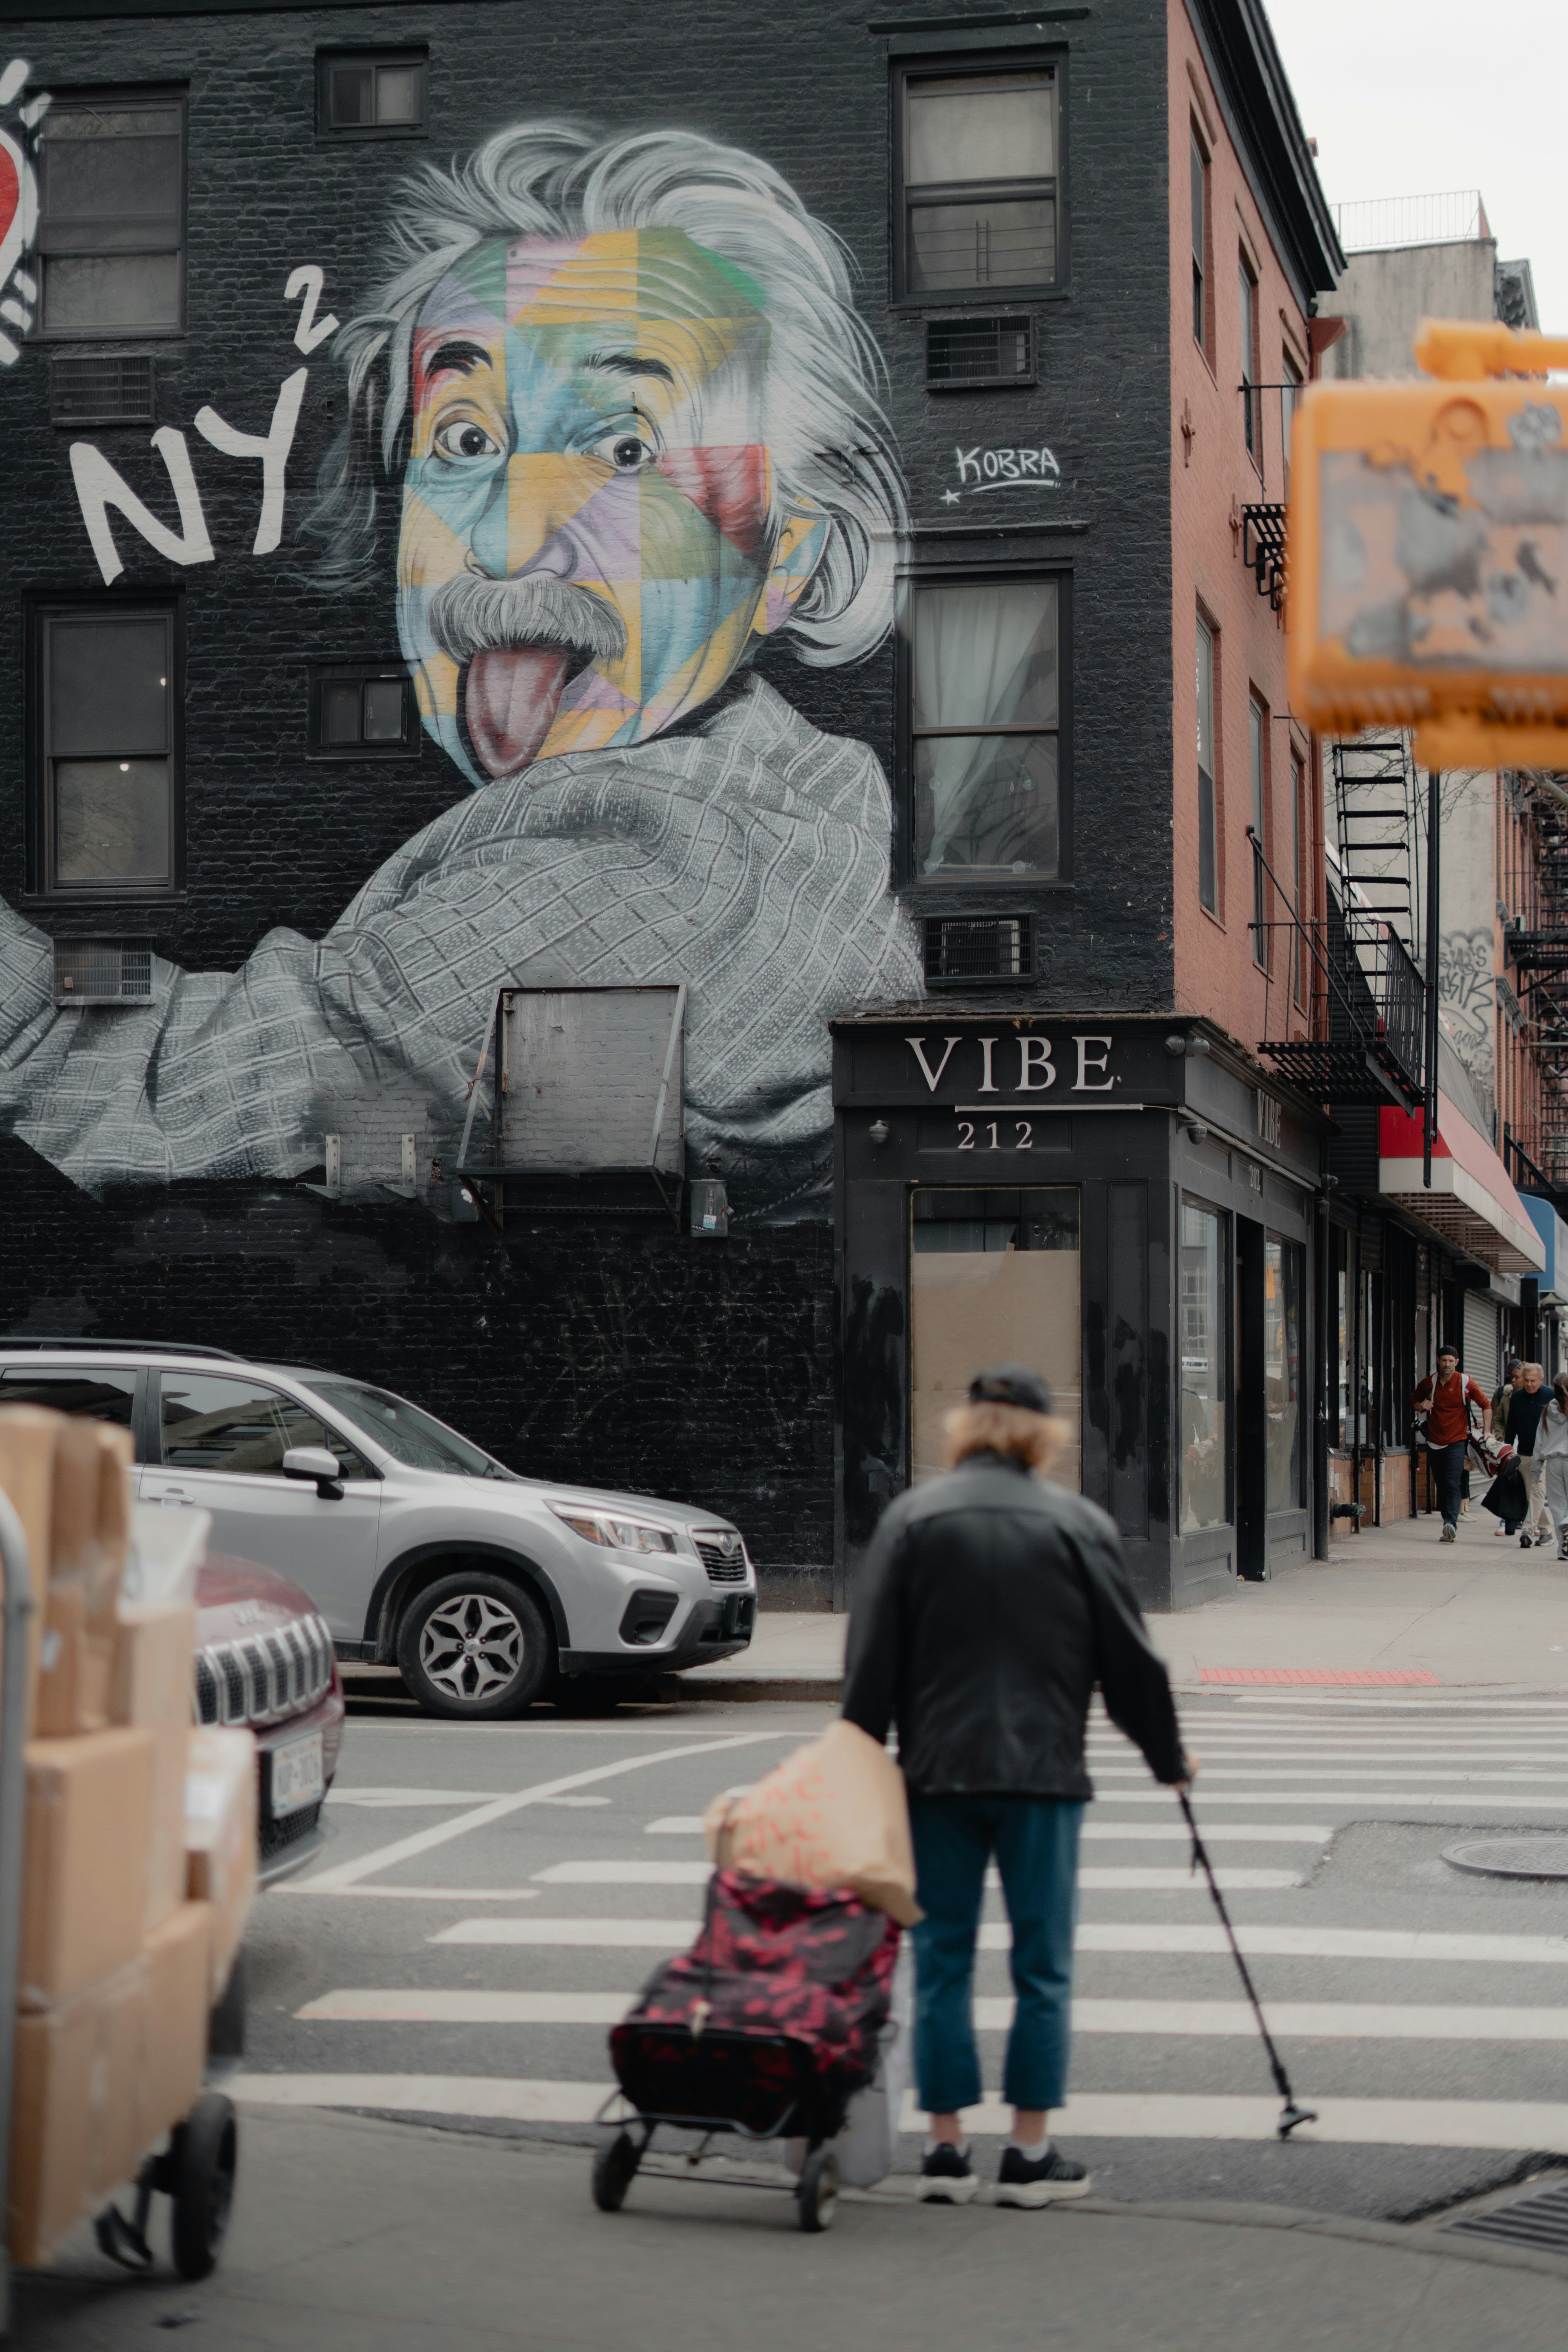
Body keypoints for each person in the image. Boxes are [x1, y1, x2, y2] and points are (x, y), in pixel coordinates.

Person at [0, 122, 922, 1212]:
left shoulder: (674, 862)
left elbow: (190, 1098)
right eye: (466, 441)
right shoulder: (769, 811)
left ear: (790, 556)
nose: (508, 533)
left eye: (623, 449)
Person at [841, 1362, 1192, 2210]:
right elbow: (1129, 1663)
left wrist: (857, 1764)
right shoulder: (1078, 1524)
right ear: (1043, 1435)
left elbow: (870, 1664)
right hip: (1043, 1779)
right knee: (1042, 1966)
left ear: (965, 1428)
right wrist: (1167, 1758)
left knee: (942, 1959)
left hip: (935, 1779)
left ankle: (947, 2151)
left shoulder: (911, 1520)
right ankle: (1029, 2155)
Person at [1412, 1348, 1491, 1542]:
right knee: (1441, 1484)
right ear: (1438, 1360)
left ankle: (1450, 1524)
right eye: (1444, 1361)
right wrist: (1421, 1406)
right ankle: (1447, 1523)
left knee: (1452, 1482)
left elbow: (1486, 1405)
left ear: (1457, 1361)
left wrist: (1487, 1431)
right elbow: (1413, 1399)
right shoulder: (1430, 1383)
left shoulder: (1466, 1382)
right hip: (1434, 1442)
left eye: (1451, 1361)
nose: (1447, 1365)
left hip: (1457, 1441)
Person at [1503, 1362, 1553, 1549]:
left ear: (1542, 1380)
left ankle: (1528, 1530)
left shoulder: (1551, 1396)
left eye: (1534, 1381)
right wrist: (1507, 1450)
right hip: (1524, 1453)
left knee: (1538, 1491)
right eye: (1527, 1380)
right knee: (1530, 1494)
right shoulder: (1516, 1397)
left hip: (1545, 1454)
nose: (1530, 1384)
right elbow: (1511, 1426)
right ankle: (1547, 1532)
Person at [1491, 1361, 1525, 1535]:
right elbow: (1497, 1419)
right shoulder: (1506, 1397)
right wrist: (1500, 1437)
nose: (1513, 1381)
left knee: (1527, 1486)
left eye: (1517, 1378)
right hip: (1509, 1447)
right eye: (1512, 1377)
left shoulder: (1535, 1397)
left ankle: (1534, 1524)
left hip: (1528, 1449)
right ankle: (1506, 1521)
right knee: (1508, 1482)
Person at [1540, 1376, 1568, 1563]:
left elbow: (1539, 1440)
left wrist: (1536, 1469)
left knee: (1557, 1506)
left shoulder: (1547, 1411)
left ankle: (1562, 1548)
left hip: (1553, 1463)